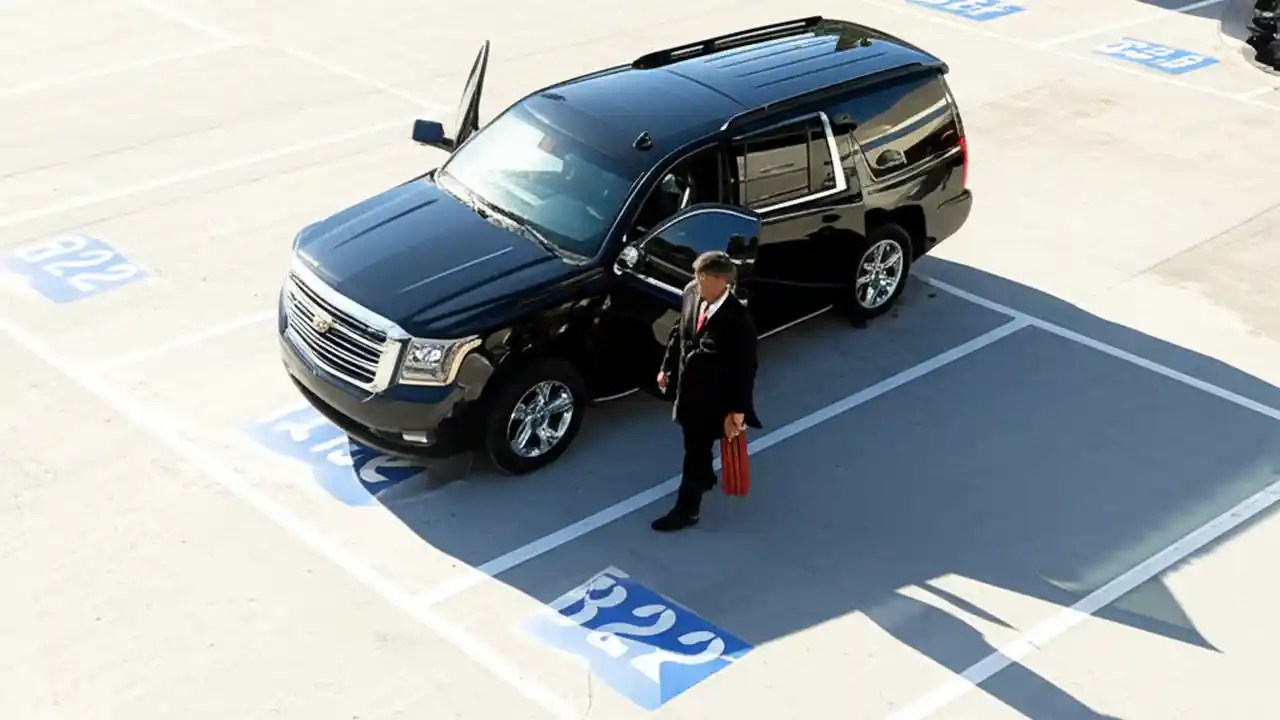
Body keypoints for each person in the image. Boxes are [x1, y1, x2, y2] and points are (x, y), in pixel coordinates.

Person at [652, 250, 762, 532]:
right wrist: (666, 368)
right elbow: (680, 330)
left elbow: (745, 369)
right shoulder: (691, 293)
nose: (695, 281)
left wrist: (738, 411)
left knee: (695, 452)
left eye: (701, 276)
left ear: (719, 280)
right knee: (694, 444)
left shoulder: (738, 321)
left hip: (714, 401)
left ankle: (687, 510)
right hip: (687, 394)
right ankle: (704, 478)